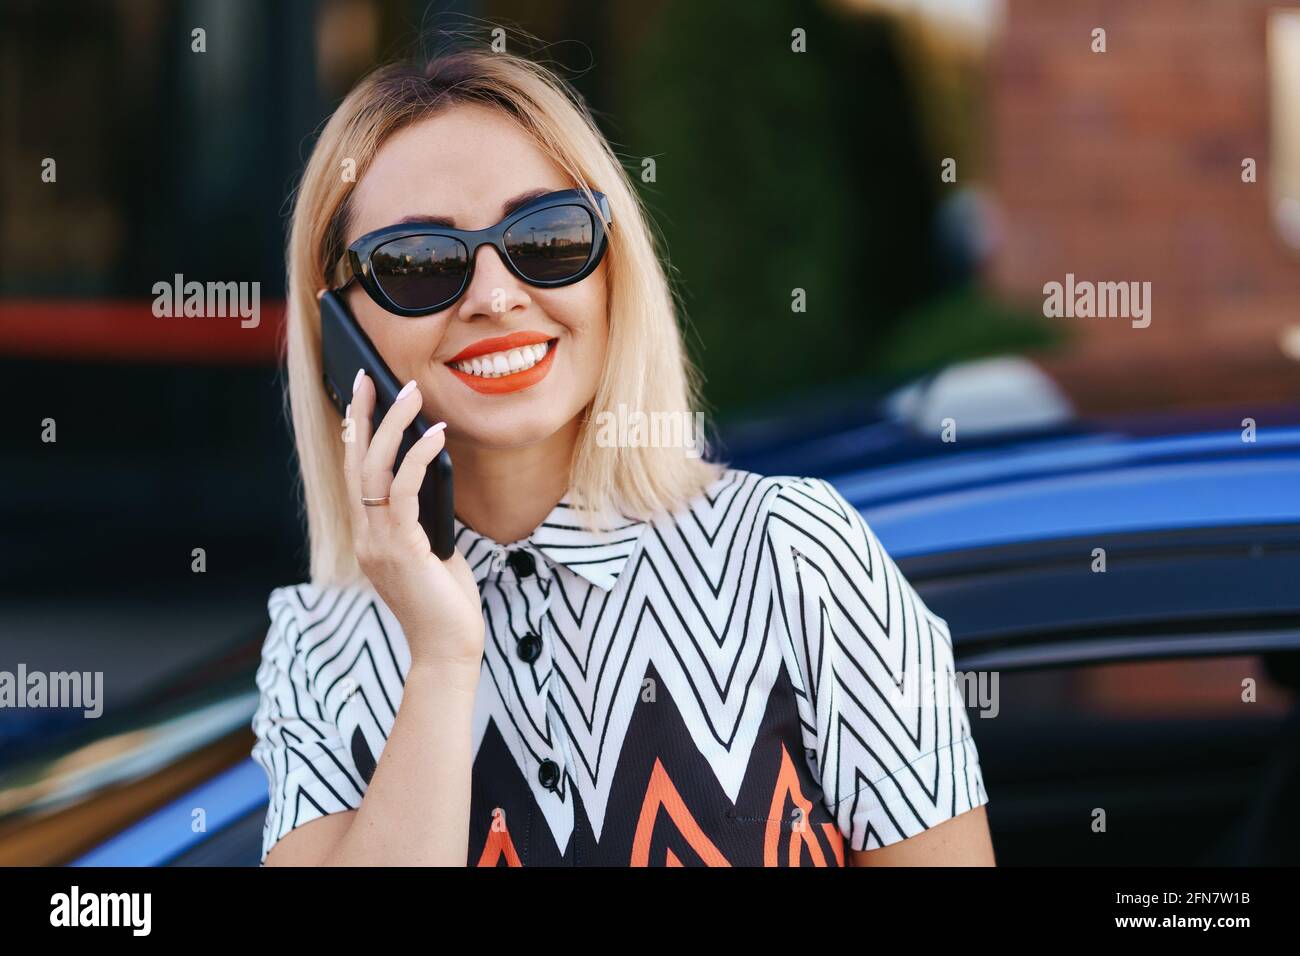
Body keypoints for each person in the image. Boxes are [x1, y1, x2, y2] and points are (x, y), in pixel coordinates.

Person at [251, 44, 994, 866]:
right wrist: (440, 657)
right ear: (342, 332)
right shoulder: (319, 642)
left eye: (548, 236)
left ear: (613, 265)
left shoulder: (793, 555)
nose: (496, 298)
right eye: (420, 261)